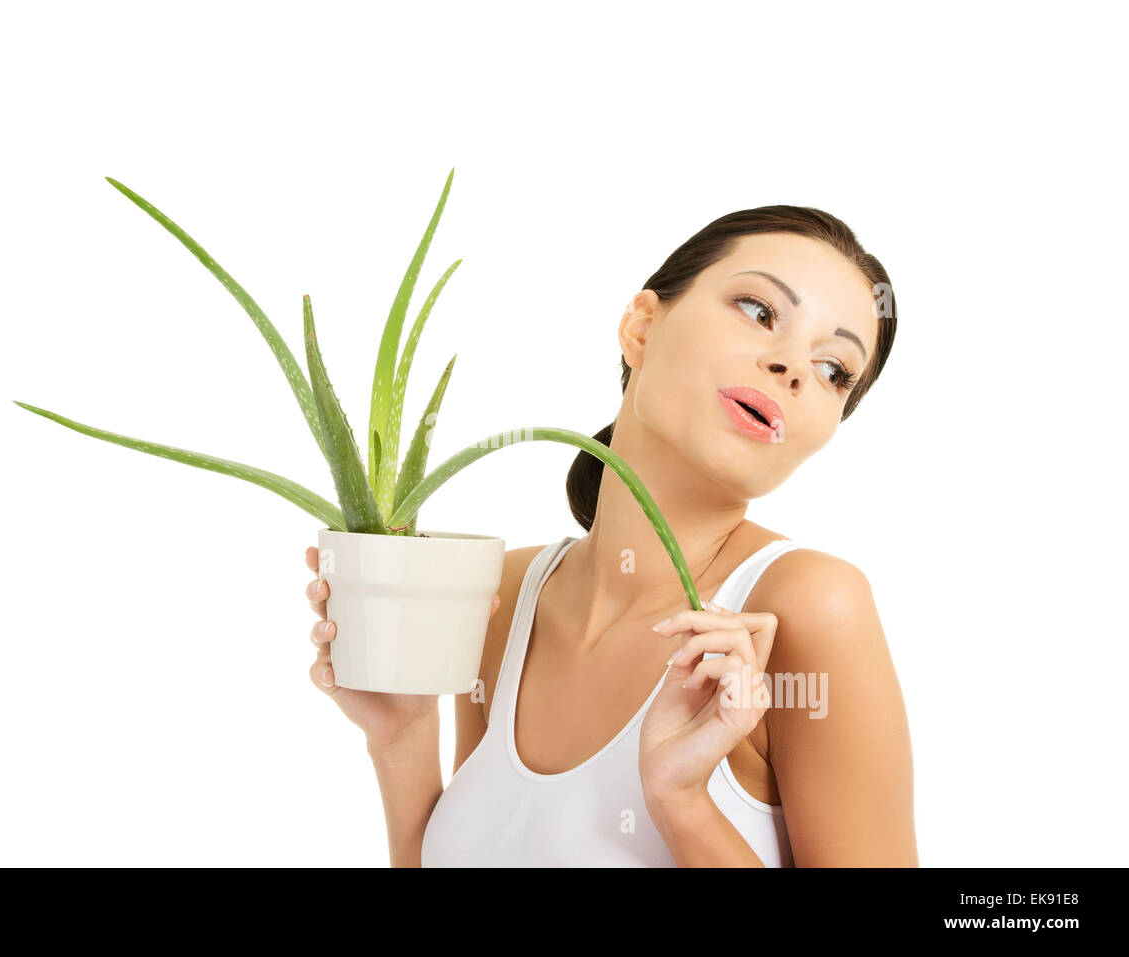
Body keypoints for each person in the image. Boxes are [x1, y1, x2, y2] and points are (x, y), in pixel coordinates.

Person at [303, 206, 916, 866]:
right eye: (761, 311)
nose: (795, 368)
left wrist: (682, 803)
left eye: (834, 370)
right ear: (642, 327)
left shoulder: (808, 606)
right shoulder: (505, 593)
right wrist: (404, 737)